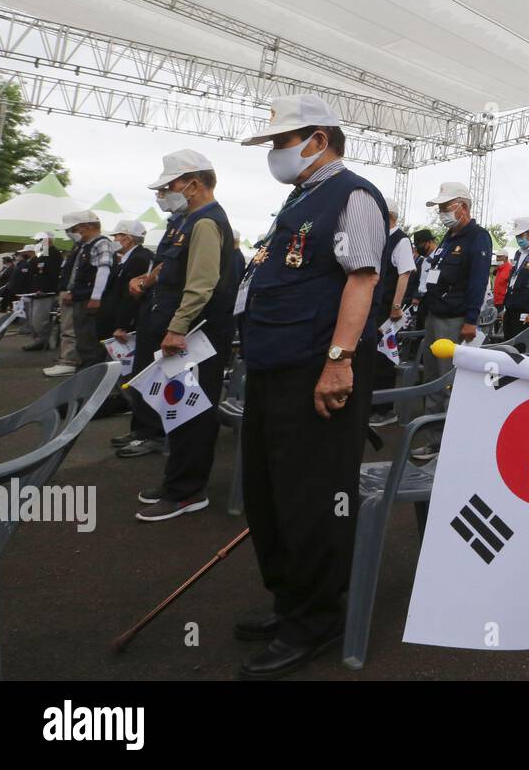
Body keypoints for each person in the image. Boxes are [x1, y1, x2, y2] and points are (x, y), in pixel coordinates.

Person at [236, 93, 388, 679]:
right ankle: (290, 601)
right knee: (269, 494)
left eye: (282, 141)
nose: (276, 153)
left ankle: (318, 618)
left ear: (319, 140)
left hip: (315, 370)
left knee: (312, 498)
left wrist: (339, 361)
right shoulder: (299, 199)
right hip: (275, 367)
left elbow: (362, 280)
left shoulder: (351, 194)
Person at [135, 151, 236, 522]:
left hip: (197, 335)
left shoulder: (206, 222)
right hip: (189, 333)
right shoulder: (190, 220)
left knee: (191, 411)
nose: (164, 192)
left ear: (193, 184)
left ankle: (187, 492)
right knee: (177, 410)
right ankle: (176, 483)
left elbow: (201, 284)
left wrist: (177, 327)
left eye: (169, 186)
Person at [412, 182, 492, 461]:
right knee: (433, 378)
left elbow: (478, 282)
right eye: (441, 209)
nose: (443, 213)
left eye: (447, 208)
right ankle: (434, 441)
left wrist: (471, 319)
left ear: (464, 207)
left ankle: (452, 445)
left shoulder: (477, 237)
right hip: (436, 316)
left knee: (450, 382)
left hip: (456, 320)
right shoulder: (448, 237)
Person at [115, 206, 186, 458]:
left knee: (157, 380)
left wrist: (145, 281)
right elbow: (159, 266)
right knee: (142, 375)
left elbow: (169, 269)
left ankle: (153, 433)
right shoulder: (176, 222)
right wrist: (142, 280)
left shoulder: (195, 224)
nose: (162, 194)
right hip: (152, 310)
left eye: (169, 187)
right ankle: (141, 429)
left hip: (166, 315)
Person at [94, 220, 156, 421]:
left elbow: (130, 296)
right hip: (116, 319)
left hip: (126, 323)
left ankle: (129, 402)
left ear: (128, 238)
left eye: (117, 236)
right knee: (120, 365)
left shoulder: (140, 258)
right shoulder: (128, 258)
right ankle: (124, 399)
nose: (115, 240)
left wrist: (123, 325)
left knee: (125, 365)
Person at [369, 199, 415, 427]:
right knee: (372, 357)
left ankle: (385, 409)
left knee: (384, 358)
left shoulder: (401, 240)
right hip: (374, 305)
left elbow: (404, 273)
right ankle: (373, 404)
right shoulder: (381, 238)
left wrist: (396, 306)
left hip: (388, 309)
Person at [62, 210, 116, 371]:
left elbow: (103, 270)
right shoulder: (85, 245)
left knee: (89, 340)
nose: (71, 234)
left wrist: (96, 297)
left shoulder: (101, 243)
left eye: (73, 229)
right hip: (82, 297)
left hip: (89, 299)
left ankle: (91, 375)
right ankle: (85, 372)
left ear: (86, 226)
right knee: (82, 338)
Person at [42, 215, 83, 378]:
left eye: (71, 229)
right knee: (66, 329)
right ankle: (65, 359)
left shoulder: (80, 247)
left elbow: (77, 272)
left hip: (68, 292)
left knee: (69, 330)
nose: (68, 233)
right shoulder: (76, 247)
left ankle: (69, 361)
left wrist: (69, 290)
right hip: (65, 290)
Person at [22, 232, 62, 353]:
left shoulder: (54, 254)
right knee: (33, 320)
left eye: (40, 240)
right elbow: (35, 272)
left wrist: (45, 289)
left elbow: (53, 275)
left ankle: (43, 341)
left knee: (39, 320)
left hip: (46, 292)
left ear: (48, 240)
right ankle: (38, 341)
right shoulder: (42, 254)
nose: (37, 242)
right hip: (36, 292)